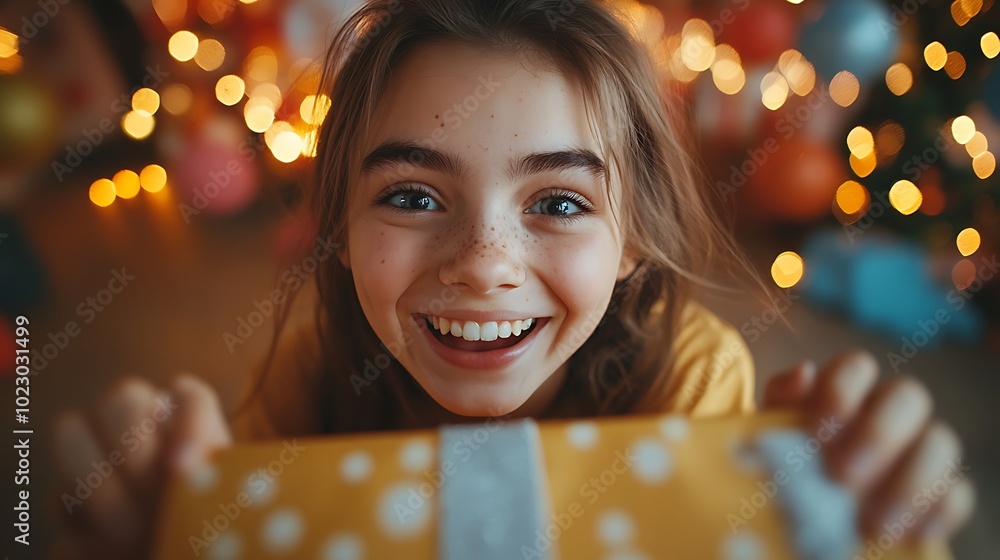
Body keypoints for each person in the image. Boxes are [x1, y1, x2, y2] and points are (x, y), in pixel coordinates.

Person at [49, 0, 974, 557]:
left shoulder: (692, 379)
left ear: (635, 242)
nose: (483, 264)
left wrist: (822, 513)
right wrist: (178, 514)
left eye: (561, 202)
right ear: (336, 230)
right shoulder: (314, 371)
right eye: (412, 196)